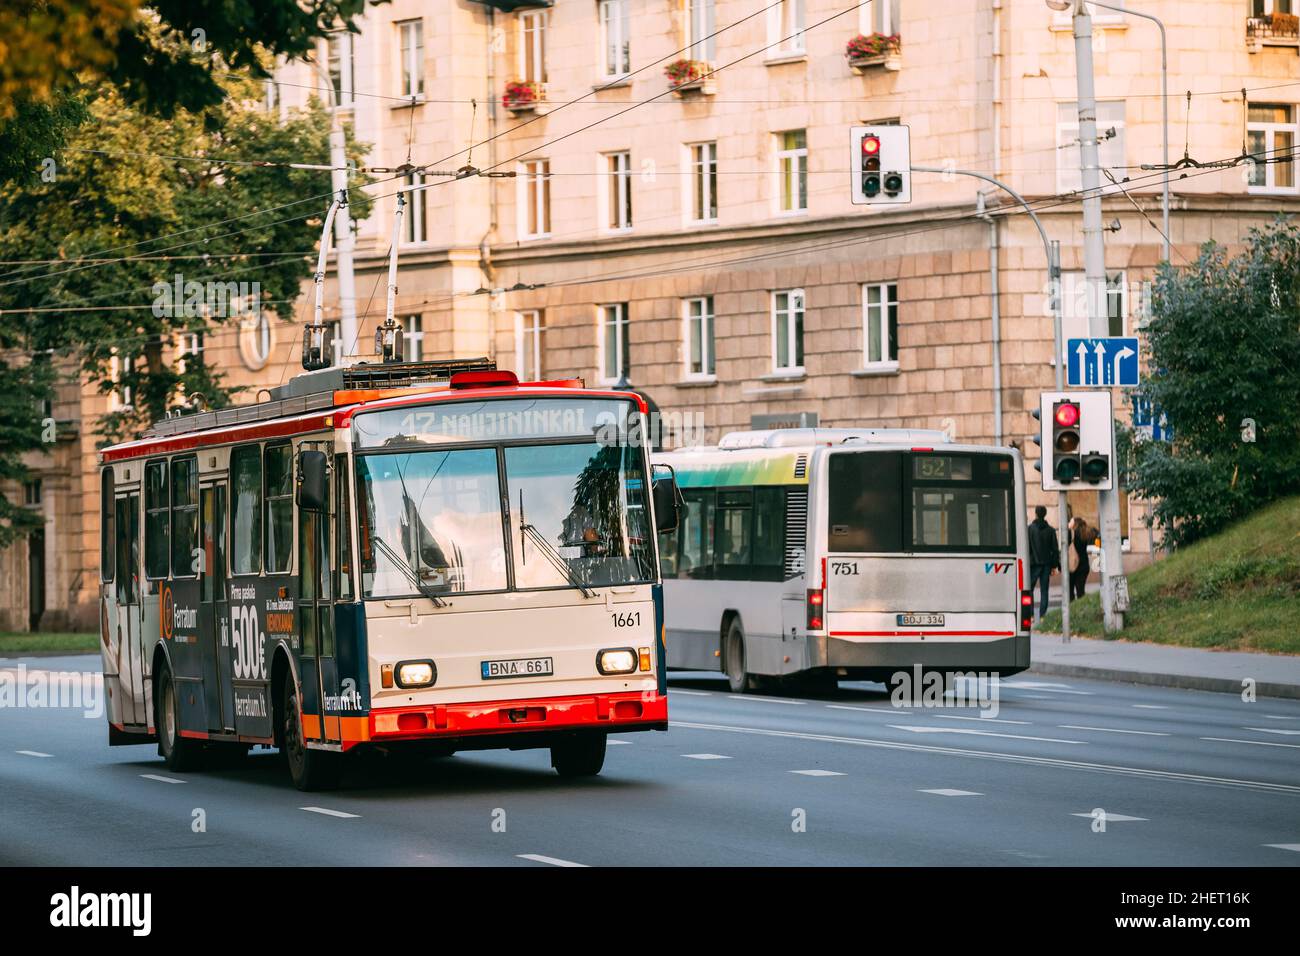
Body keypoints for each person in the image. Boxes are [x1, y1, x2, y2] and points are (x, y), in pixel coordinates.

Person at [1026, 505, 1059, 620]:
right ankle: (1043, 615)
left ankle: (1030, 615)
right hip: (1046, 564)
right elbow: (1055, 549)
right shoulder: (1050, 530)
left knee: (1029, 589)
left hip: (1033, 564)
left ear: (1035, 514)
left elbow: (1027, 547)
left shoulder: (1029, 529)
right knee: (1044, 591)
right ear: (1045, 514)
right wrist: (1054, 566)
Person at [1069, 516, 1092, 600]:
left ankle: (1071, 610)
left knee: (1070, 591)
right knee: (1080, 591)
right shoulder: (1085, 533)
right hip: (1084, 565)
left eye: (1071, 522)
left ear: (1074, 524)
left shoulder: (1072, 535)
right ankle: (1081, 609)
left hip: (1073, 565)